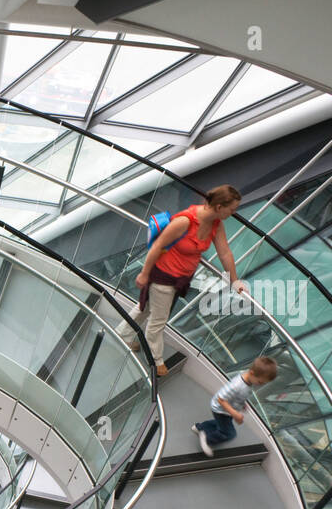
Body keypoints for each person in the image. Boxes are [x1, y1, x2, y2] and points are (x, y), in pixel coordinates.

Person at [119, 185, 248, 377]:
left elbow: (224, 253)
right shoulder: (185, 221)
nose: (234, 213)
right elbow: (157, 247)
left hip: (180, 279)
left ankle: (123, 335)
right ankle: (156, 361)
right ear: (219, 207)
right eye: (232, 209)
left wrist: (235, 281)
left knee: (145, 307)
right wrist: (144, 274)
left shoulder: (216, 225)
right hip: (163, 276)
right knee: (158, 320)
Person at [192, 356, 278, 457]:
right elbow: (221, 399)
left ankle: (199, 427)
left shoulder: (249, 380)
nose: (260, 385)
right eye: (260, 382)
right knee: (229, 433)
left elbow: (239, 395)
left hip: (226, 409)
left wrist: (242, 404)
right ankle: (206, 437)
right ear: (251, 373)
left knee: (219, 423)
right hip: (220, 409)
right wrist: (235, 413)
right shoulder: (237, 385)